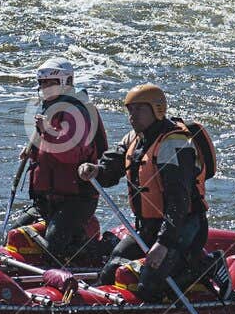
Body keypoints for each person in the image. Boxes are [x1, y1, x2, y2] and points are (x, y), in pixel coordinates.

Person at [78, 83, 227, 302]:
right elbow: (112, 168)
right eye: (130, 110)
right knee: (110, 271)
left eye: (139, 109)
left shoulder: (174, 144)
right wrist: (96, 171)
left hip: (183, 227)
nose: (132, 115)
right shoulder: (134, 138)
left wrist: (163, 244)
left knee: (149, 285)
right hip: (148, 227)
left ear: (157, 110)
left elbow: (179, 201)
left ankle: (206, 265)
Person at [9, 57, 108, 266]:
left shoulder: (78, 112)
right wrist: (32, 149)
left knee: (54, 246)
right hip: (49, 199)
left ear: (66, 82)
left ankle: (96, 253)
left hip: (77, 200)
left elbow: (71, 155)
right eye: (42, 82)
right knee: (14, 231)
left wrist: (48, 132)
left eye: (50, 82)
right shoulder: (51, 108)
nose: (45, 87)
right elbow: (48, 143)